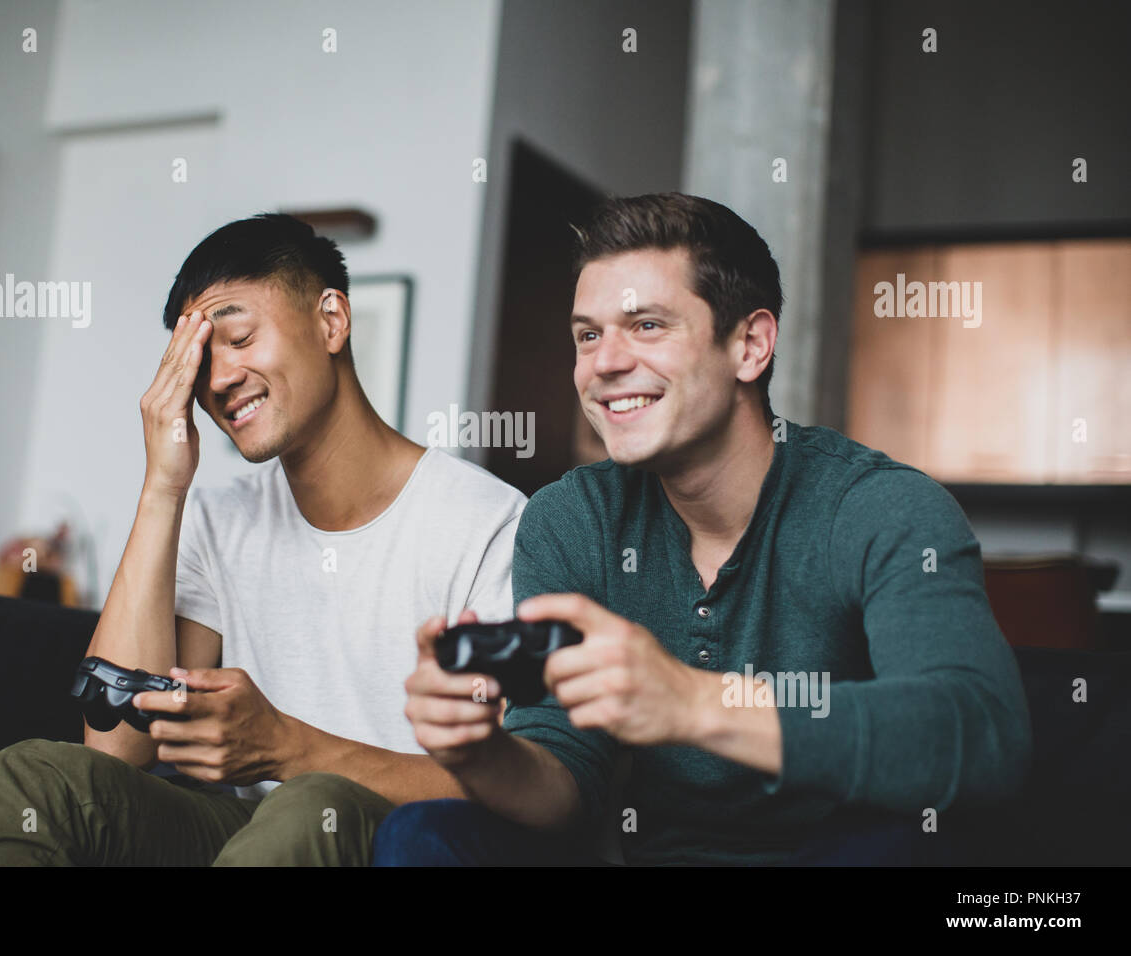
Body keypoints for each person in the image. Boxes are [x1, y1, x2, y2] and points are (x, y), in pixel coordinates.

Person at [377, 193, 1032, 866]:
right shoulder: (572, 517)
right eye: (588, 334)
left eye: (647, 325)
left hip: (843, 855)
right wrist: (482, 753)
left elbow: (980, 735)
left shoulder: (883, 509)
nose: (603, 363)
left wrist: (693, 702)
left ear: (749, 346)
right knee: (421, 835)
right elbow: (564, 776)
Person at [0, 214, 525, 866]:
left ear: (332, 321)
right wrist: (163, 490)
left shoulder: (486, 523)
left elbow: (516, 791)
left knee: (307, 806)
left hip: (379, 830)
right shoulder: (220, 519)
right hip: (237, 825)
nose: (218, 382)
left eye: (240, 337)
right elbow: (117, 752)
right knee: (33, 775)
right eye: (200, 364)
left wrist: (292, 747)